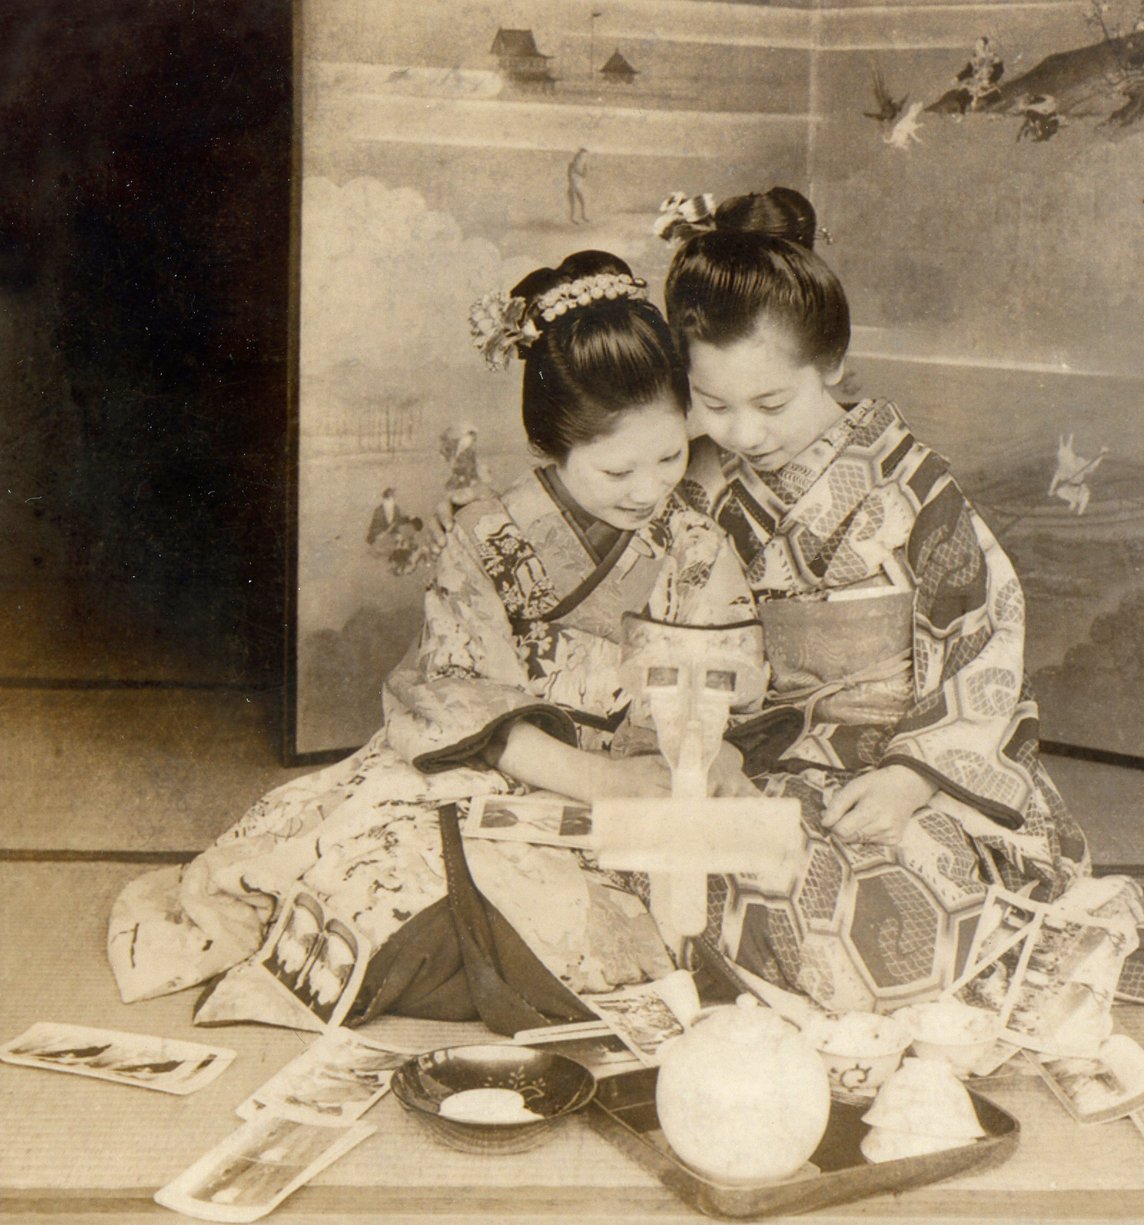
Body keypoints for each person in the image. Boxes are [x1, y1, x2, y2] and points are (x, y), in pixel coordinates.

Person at [108, 250, 761, 1032]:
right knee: (391, 900)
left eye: (669, 454)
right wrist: (597, 779)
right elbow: (456, 707)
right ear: (550, 449)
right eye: (619, 468)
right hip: (498, 767)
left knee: (743, 901)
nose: (651, 487)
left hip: (650, 781)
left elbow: (727, 686)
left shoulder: (694, 542)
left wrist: (710, 756)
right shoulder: (486, 539)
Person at [657, 186, 1144, 1010]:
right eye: (713, 405)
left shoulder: (912, 488)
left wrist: (911, 777)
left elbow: (983, 646)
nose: (744, 434)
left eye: (771, 403)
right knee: (680, 860)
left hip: (912, 756)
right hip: (769, 746)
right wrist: (710, 740)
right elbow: (681, 628)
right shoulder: (698, 482)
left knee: (877, 898)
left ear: (829, 365)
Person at [567, 148, 590, 224]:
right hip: (573, 186)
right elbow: (581, 174)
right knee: (574, 203)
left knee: (583, 201)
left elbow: (584, 175)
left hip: (578, 186)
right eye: (583, 156)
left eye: (585, 156)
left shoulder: (580, 165)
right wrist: (585, 168)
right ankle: (573, 218)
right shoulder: (573, 165)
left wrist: (585, 167)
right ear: (578, 157)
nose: (584, 158)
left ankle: (583, 216)